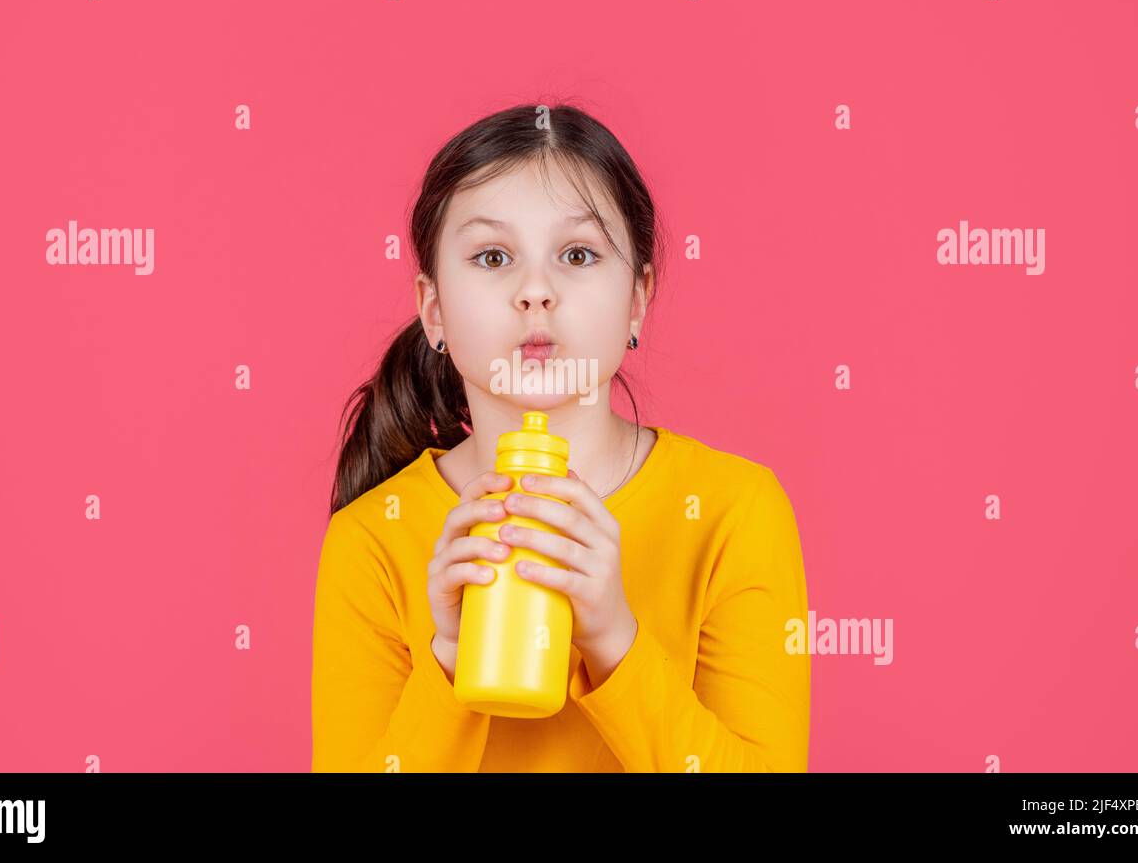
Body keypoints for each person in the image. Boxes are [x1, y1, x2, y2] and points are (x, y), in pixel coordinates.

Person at [311, 103, 809, 772]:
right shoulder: (372, 538)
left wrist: (616, 642)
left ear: (637, 300)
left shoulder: (734, 510)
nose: (536, 291)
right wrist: (448, 661)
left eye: (577, 254)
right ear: (434, 311)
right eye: (493, 256)